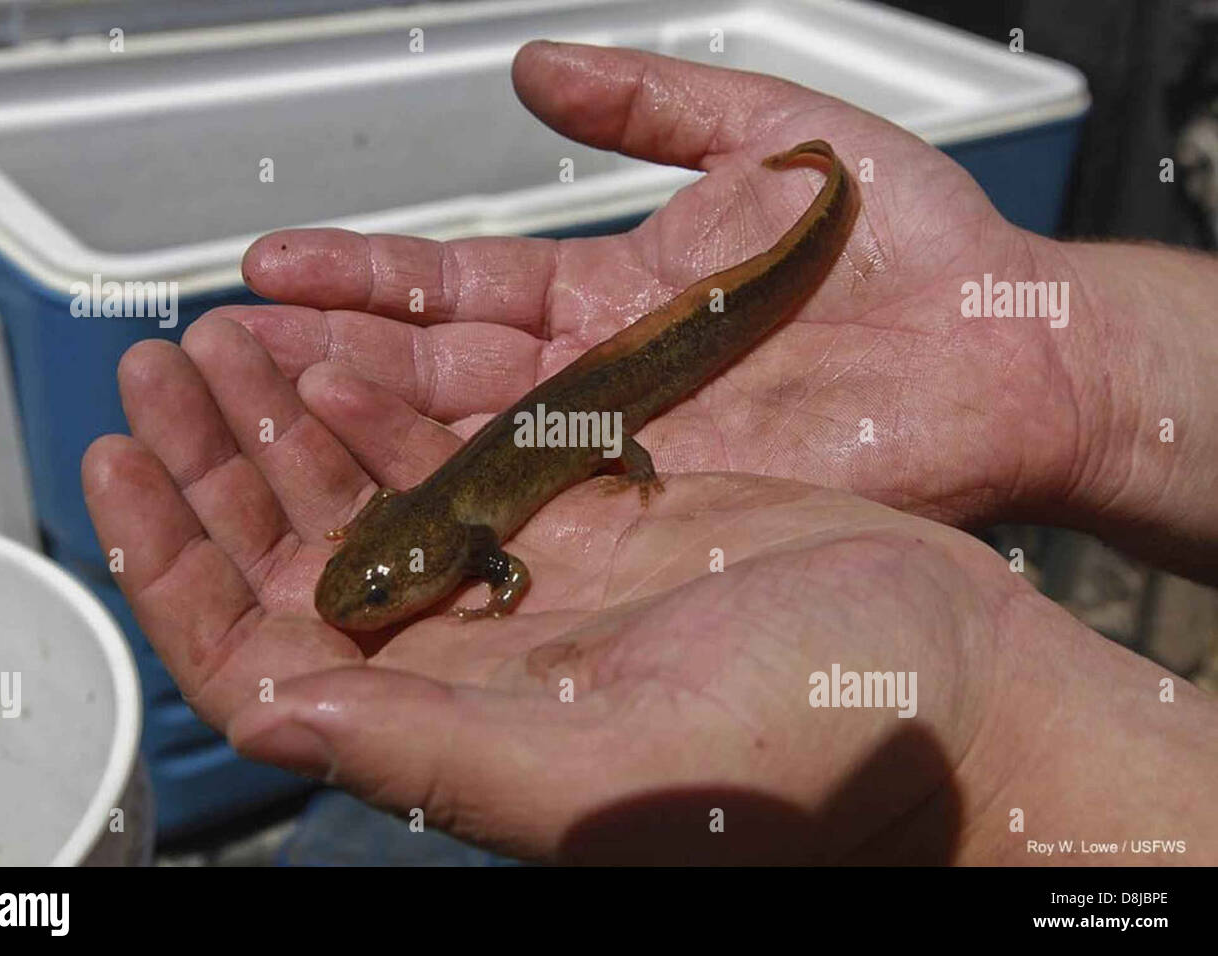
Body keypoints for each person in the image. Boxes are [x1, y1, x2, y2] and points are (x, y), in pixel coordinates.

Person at [82, 42, 1217, 864]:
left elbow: (507, 567)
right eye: (376, 583)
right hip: (571, 409)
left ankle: (811, 222)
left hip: (585, 409)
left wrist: (569, 516)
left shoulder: (468, 540)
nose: (370, 596)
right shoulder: (428, 528)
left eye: (380, 584)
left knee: (613, 405)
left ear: (432, 558)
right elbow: (409, 534)